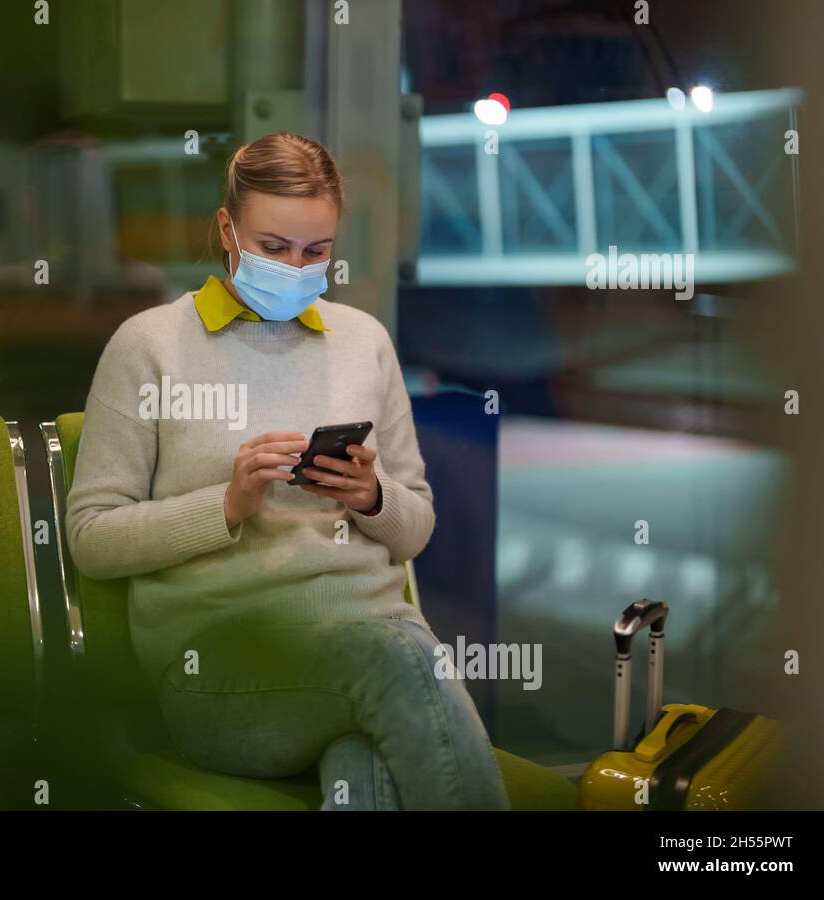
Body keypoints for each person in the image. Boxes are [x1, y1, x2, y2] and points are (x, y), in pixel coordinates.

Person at [65, 131, 509, 810]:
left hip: (371, 654)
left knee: (365, 773)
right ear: (227, 229)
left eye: (316, 252)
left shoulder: (363, 343)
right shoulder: (150, 346)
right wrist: (228, 505)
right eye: (274, 247)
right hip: (225, 673)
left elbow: (414, 528)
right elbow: (92, 538)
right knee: (402, 664)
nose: (295, 266)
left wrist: (372, 496)